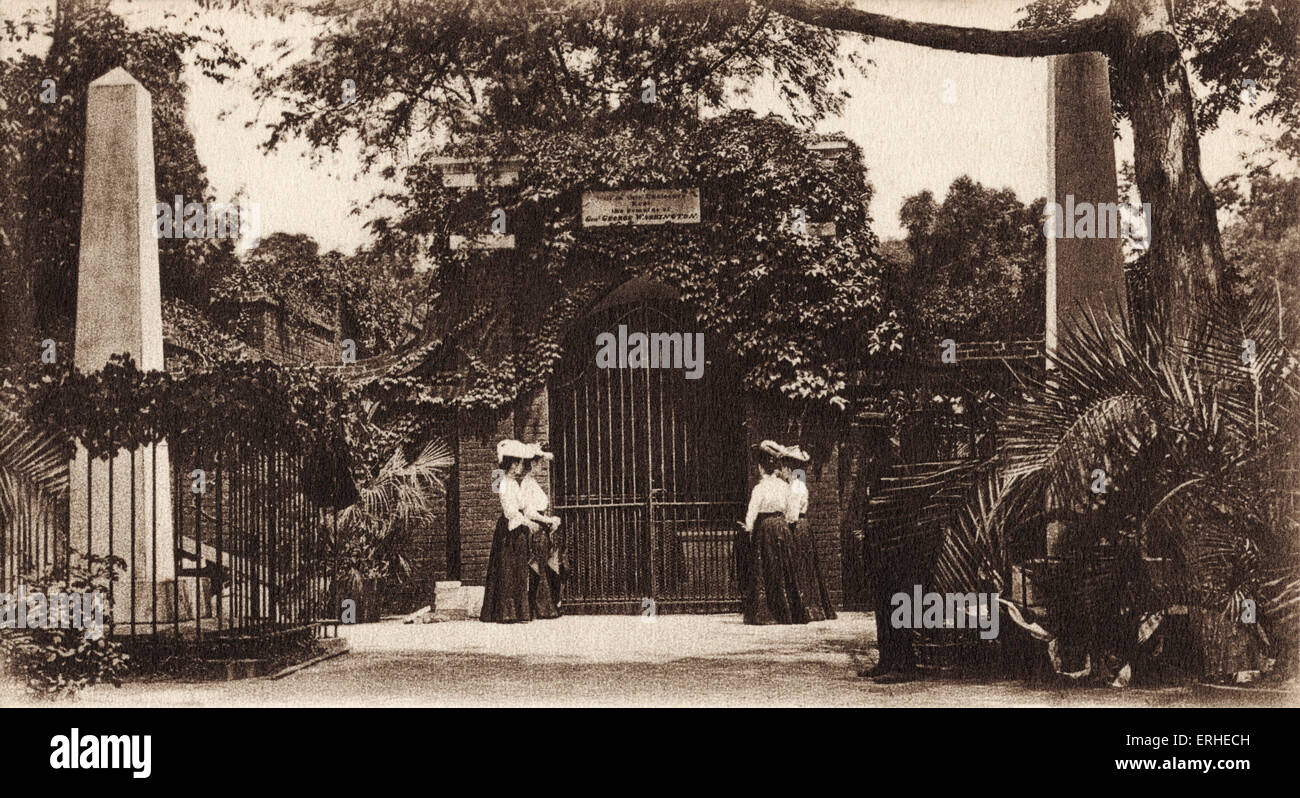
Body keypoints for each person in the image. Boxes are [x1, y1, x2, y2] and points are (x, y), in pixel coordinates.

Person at [738, 440, 807, 625]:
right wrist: (787, 522)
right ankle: (789, 611)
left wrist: (749, 527)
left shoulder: (759, 488)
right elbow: (792, 510)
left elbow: (752, 511)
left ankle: (765, 612)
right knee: (784, 567)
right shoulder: (785, 486)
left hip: (765, 527)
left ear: (761, 469)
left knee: (764, 568)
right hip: (782, 526)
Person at [480, 440, 537, 623]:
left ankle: (517, 612)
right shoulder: (503, 481)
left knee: (517, 569)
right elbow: (509, 510)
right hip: (510, 529)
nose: (521, 466)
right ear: (512, 464)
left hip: (517, 527)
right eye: (519, 462)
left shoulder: (512, 482)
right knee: (507, 570)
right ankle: (506, 612)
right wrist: (527, 522)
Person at [781, 445, 837, 622]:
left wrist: (784, 525)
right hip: (801, 526)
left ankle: (806, 609)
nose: (781, 471)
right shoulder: (796, 484)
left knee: (800, 566)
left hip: (797, 527)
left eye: (782, 467)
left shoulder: (796, 486)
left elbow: (792, 514)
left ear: (789, 468)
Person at [519, 443, 563, 619]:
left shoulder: (531, 482)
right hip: (537, 529)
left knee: (543, 567)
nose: (541, 467)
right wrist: (549, 520)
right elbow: (529, 512)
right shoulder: (527, 483)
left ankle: (545, 607)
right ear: (533, 464)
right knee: (539, 569)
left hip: (542, 528)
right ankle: (542, 609)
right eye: (539, 463)